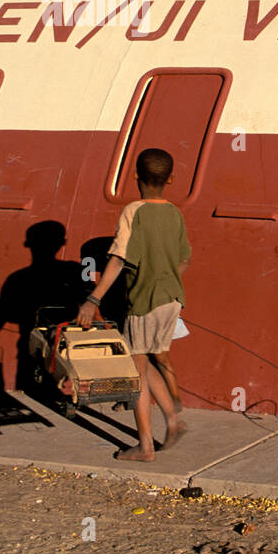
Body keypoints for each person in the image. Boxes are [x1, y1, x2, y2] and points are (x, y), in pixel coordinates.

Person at [77, 148, 190, 461]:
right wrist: (165, 280)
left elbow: (117, 260)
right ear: (170, 179)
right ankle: (173, 420)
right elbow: (184, 260)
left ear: (136, 176)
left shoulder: (133, 211)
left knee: (135, 370)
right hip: (172, 299)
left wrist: (93, 299)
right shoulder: (174, 213)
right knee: (144, 358)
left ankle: (146, 446)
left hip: (145, 302)